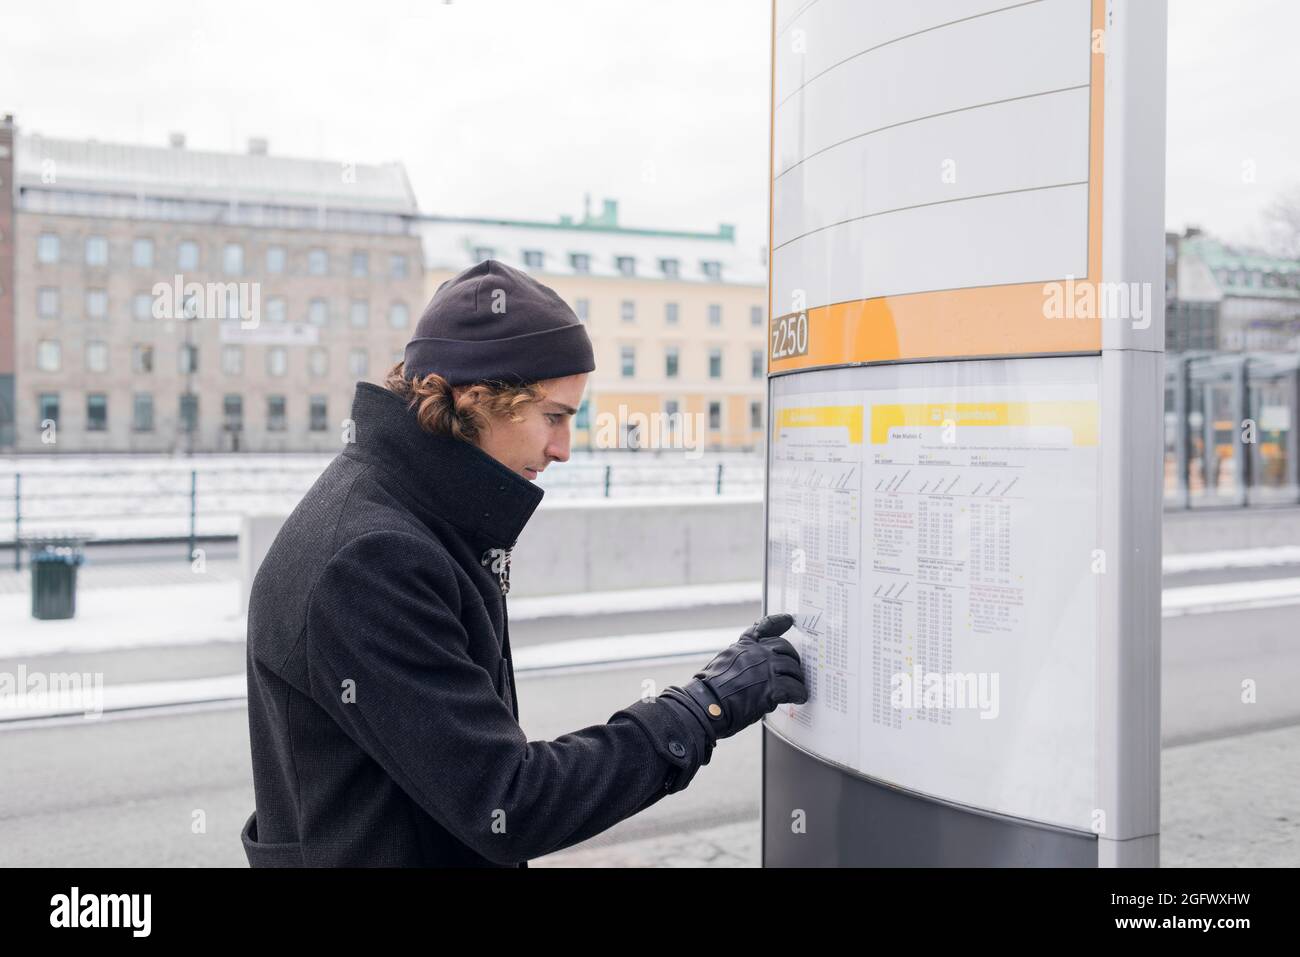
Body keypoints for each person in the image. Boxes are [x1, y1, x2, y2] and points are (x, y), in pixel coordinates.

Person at [240, 259, 807, 866]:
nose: (563, 449)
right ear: (478, 399)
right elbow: (508, 803)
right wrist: (701, 709)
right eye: (554, 418)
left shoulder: (409, 509)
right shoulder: (374, 559)